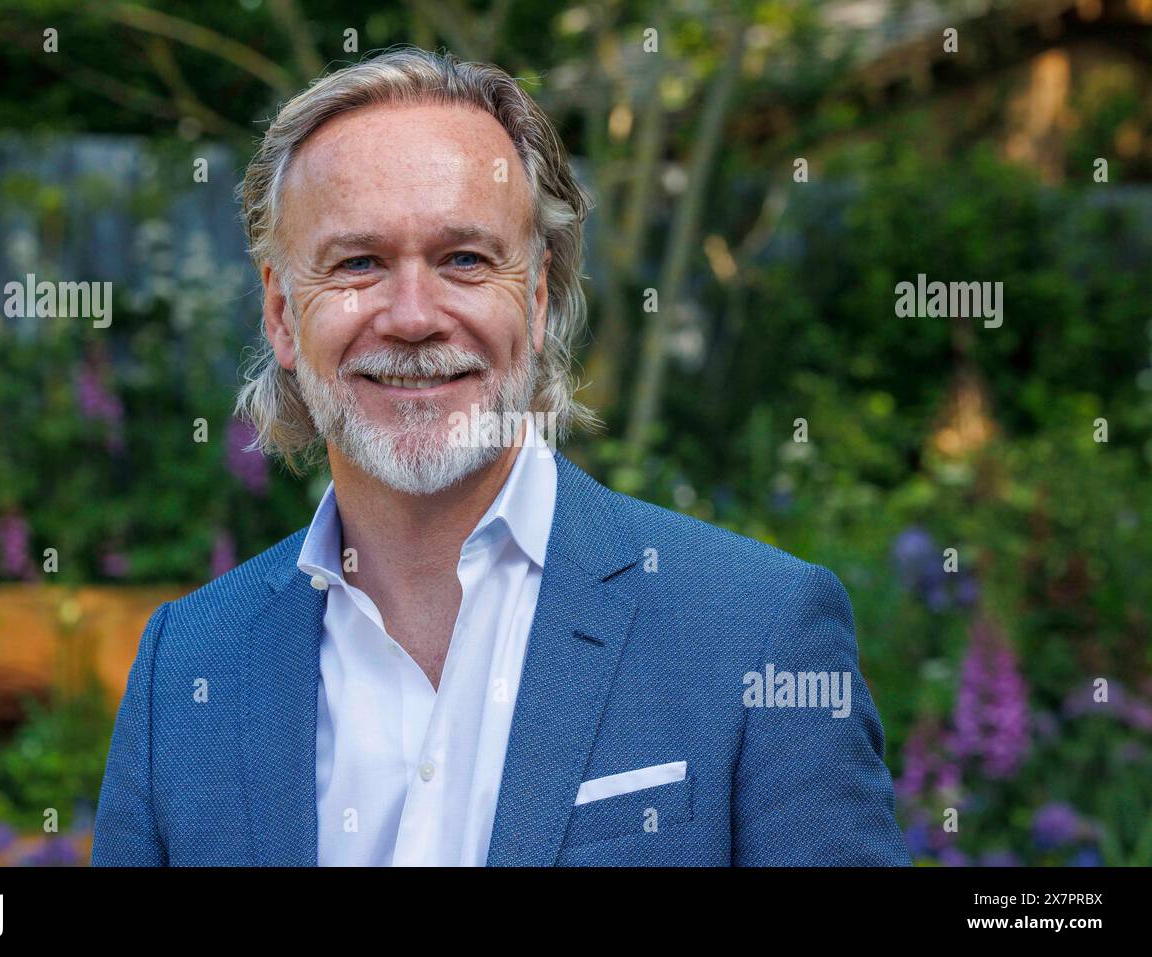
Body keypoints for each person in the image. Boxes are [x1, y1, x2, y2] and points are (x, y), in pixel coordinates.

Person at [92, 46, 909, 867]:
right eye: (359, 263)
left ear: (538, 295)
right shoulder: (184, 669)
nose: (413, 316)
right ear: (280, 313)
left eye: (465, 260)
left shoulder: (757, 631)